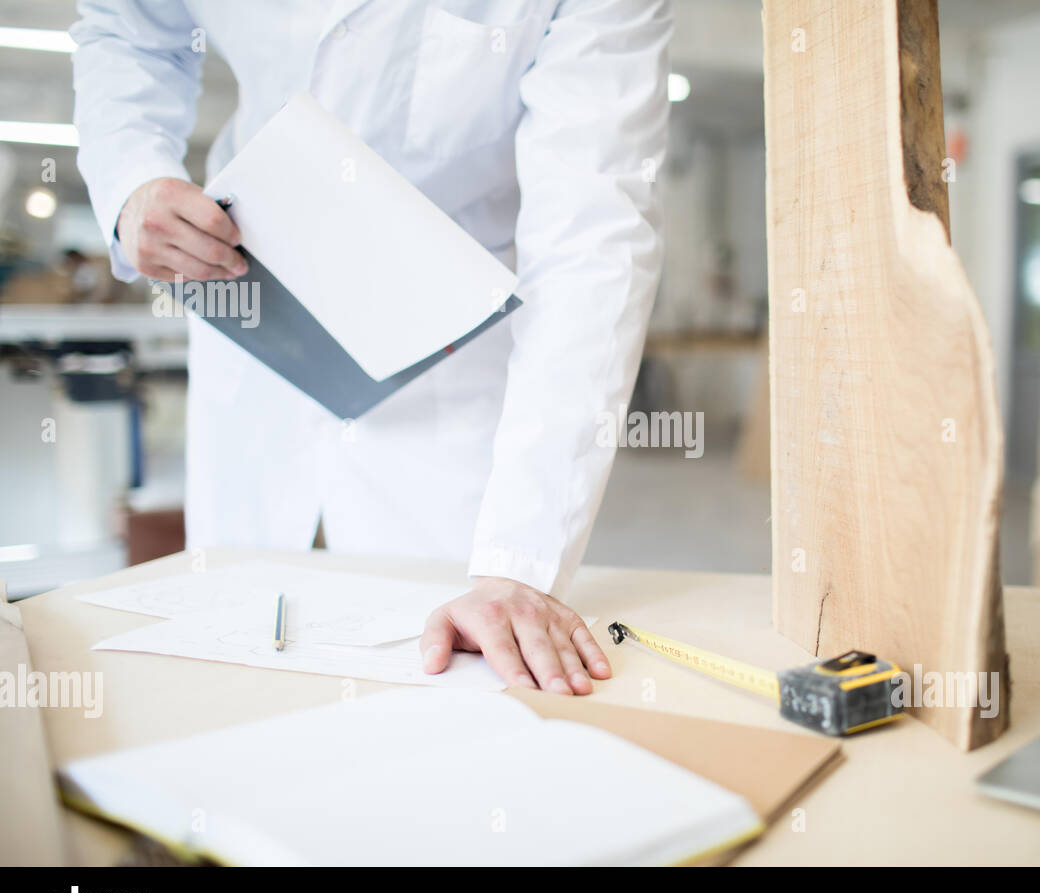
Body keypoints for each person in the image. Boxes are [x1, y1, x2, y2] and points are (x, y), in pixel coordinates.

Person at [71, 0, 672, 694]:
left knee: (447, 691)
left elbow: (592, 245)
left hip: (452, 365)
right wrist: (131, 182)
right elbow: (126, 31)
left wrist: (519, 563)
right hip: (256, 315)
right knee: (237, 672)